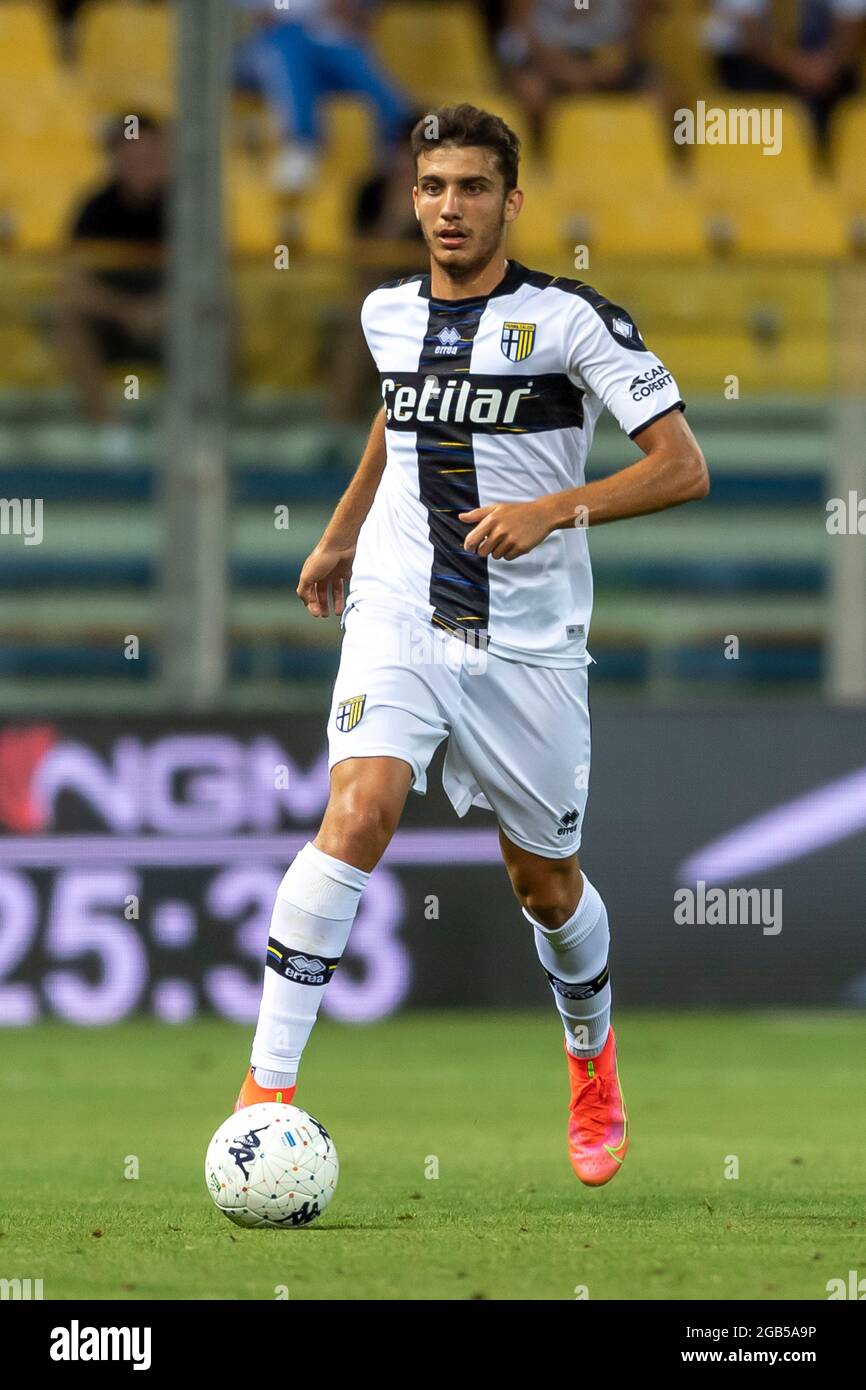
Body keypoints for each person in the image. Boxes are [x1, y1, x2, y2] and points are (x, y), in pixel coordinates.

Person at [235, 104, 709, 1187]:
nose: (450, 207)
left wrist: (556, 508)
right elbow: (399, 419)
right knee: (356, 810)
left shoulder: (572, 321)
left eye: (472, 188)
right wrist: (342, 534)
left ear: (511, 200)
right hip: (401, 608)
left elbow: (682, 467)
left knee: (542, 883)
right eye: (433, 187)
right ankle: (265, 1094)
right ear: (412, 198)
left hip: (527, 644)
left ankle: (590, 1057)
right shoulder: (385, 312)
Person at [56, 116, 166, 441]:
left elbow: (210, 279)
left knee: (223, 317)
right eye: (135, 155)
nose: (144, 164)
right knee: (67, 320)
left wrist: (163, 310)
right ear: (116, 158)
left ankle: (201, 423)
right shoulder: (94, 210)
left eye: (153, 154)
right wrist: (129, 312)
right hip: (113, 324)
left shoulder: (186, 208)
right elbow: (74, 285)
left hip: (171, 324)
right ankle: (108, 429)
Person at [233, 0, 414, 191]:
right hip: (266, 52)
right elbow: (244, 20)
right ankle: (301, 140)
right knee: (288, 41)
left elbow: (357, 18)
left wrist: (352, 10)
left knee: (350, 59)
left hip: (326, 49)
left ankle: (403, 134)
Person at [704, 0, 866, 144]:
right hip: (754, 63)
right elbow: (751, 34)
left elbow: (852, 22)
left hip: (828, 65)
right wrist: (799, 69)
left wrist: (826, 67)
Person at [498, 0, 656, 145]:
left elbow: (638, 32)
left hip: (606, 62)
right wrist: (565, 69)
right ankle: (542, 158)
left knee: (663, 95)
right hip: (546, 60)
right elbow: (522, 30)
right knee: (531, 92)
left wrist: (613, 65)